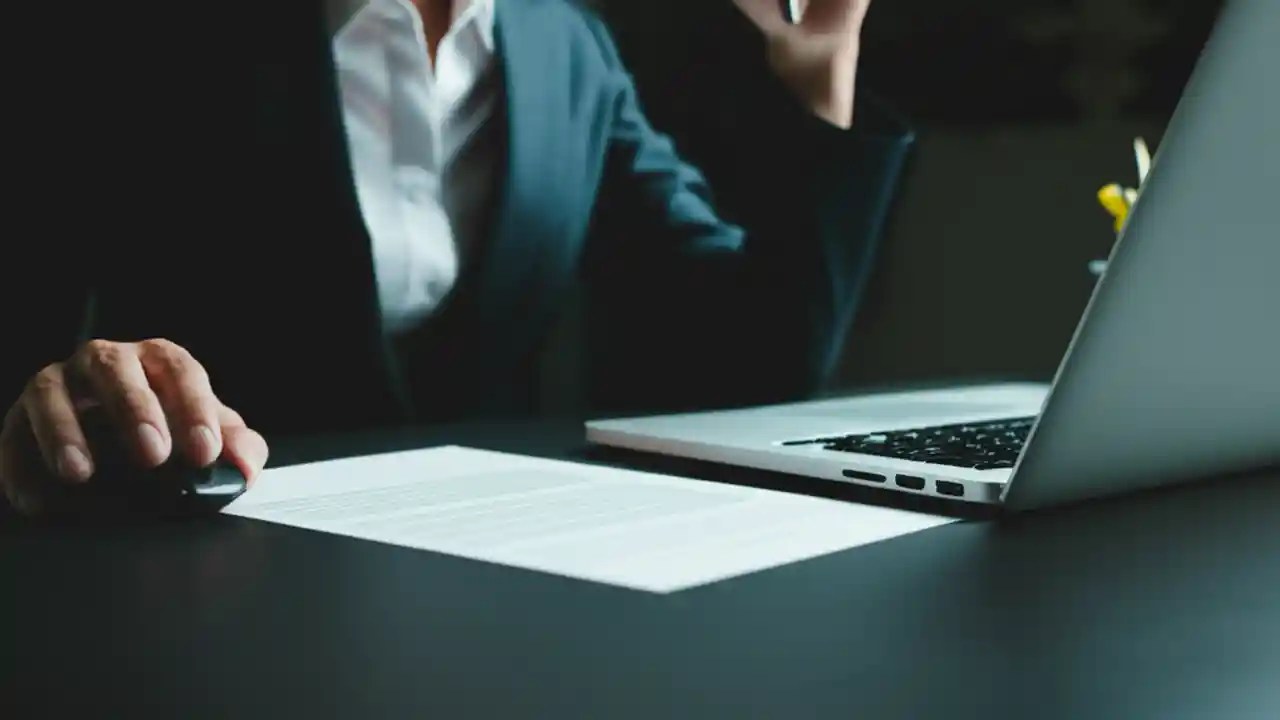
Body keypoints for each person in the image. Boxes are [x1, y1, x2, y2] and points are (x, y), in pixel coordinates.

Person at [0, 0, 912, 516]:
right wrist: (60, 407)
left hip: (484, 569)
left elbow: (763, 357)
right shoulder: (125, 28)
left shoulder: (569, 48)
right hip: (197, 554)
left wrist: (821, 71)